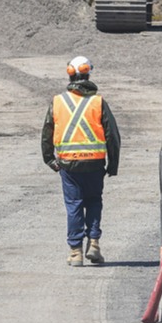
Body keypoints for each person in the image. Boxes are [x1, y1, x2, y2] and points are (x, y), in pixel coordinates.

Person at [41, 56, 121, 266]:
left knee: (74, 205)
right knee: (94, 201)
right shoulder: (98, 102)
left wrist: (50, 160)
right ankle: (93, 243)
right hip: (95, 164)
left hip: (68, 165)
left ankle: (75, 252)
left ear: (69, 75)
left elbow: (47, 132)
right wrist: (113, 164)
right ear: (88, 75)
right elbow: (112, 135)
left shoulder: (58, 102)